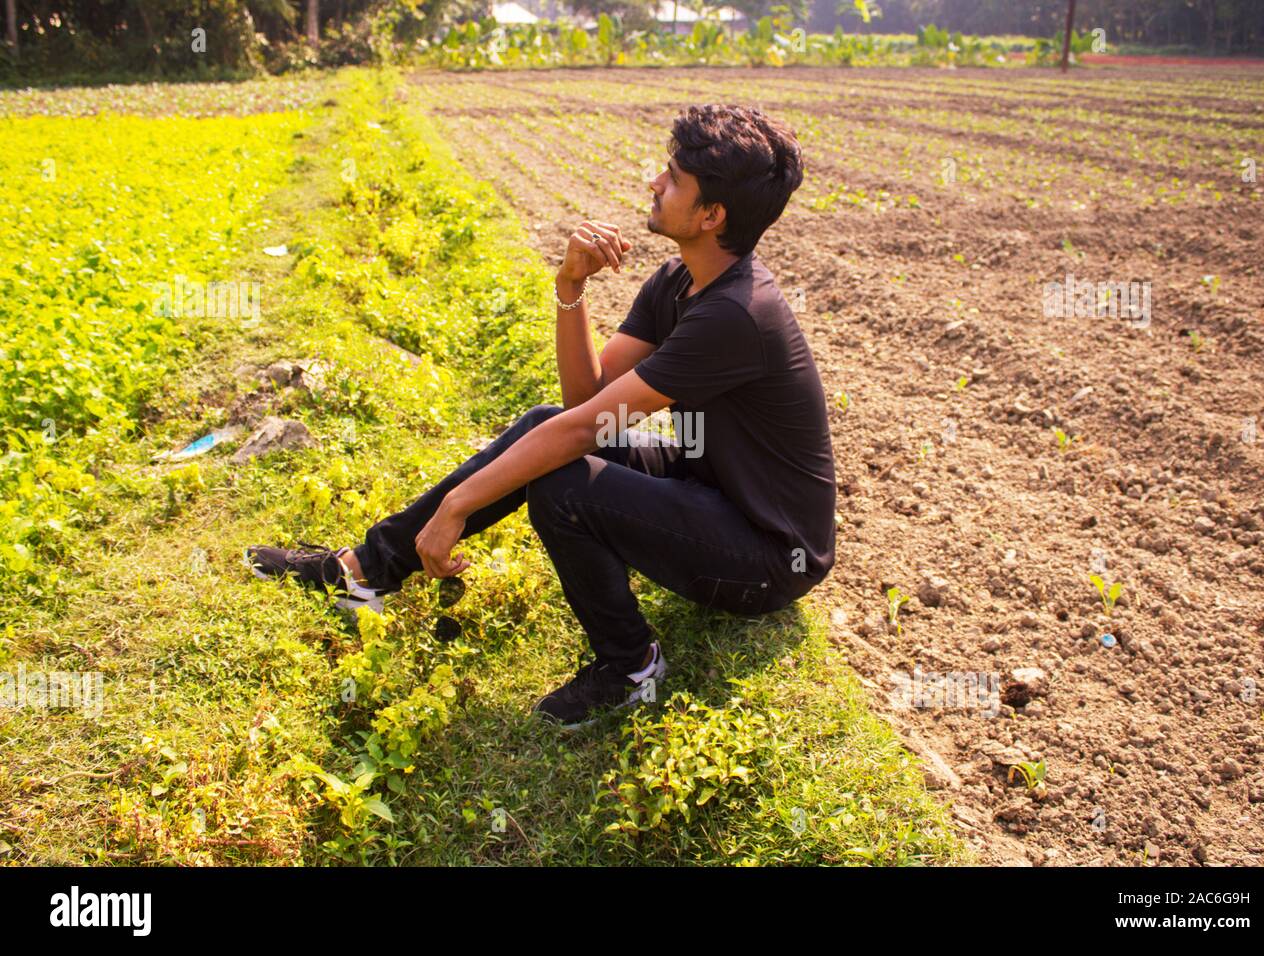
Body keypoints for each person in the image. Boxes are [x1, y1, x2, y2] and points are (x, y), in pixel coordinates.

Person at [245, 104, 836, 729]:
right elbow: (584, 405)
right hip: (708, 483)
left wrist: (456, 508)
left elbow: (583, 432)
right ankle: (364, 571)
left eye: (673, 178)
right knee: (542, 423)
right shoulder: (679, 281)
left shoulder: (736, 315)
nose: (654, 185)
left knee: (564, 480)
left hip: (768, 553)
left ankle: (631, 667)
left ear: (712, 215)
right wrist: (571, 286)